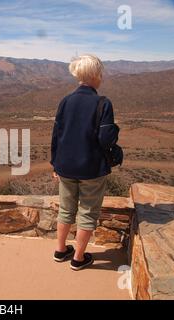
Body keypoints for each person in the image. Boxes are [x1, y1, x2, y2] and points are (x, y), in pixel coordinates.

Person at [50, 54, 119, 271]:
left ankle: (60, 250)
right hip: (91, 168)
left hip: (66, 166)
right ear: (96, 75)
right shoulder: (102, 103)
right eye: (101, 74)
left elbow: (56, 135)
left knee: (66, 209)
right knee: (87, 213)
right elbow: (106, 138)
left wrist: (55, 164)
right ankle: (78, 258)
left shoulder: (66, 101)